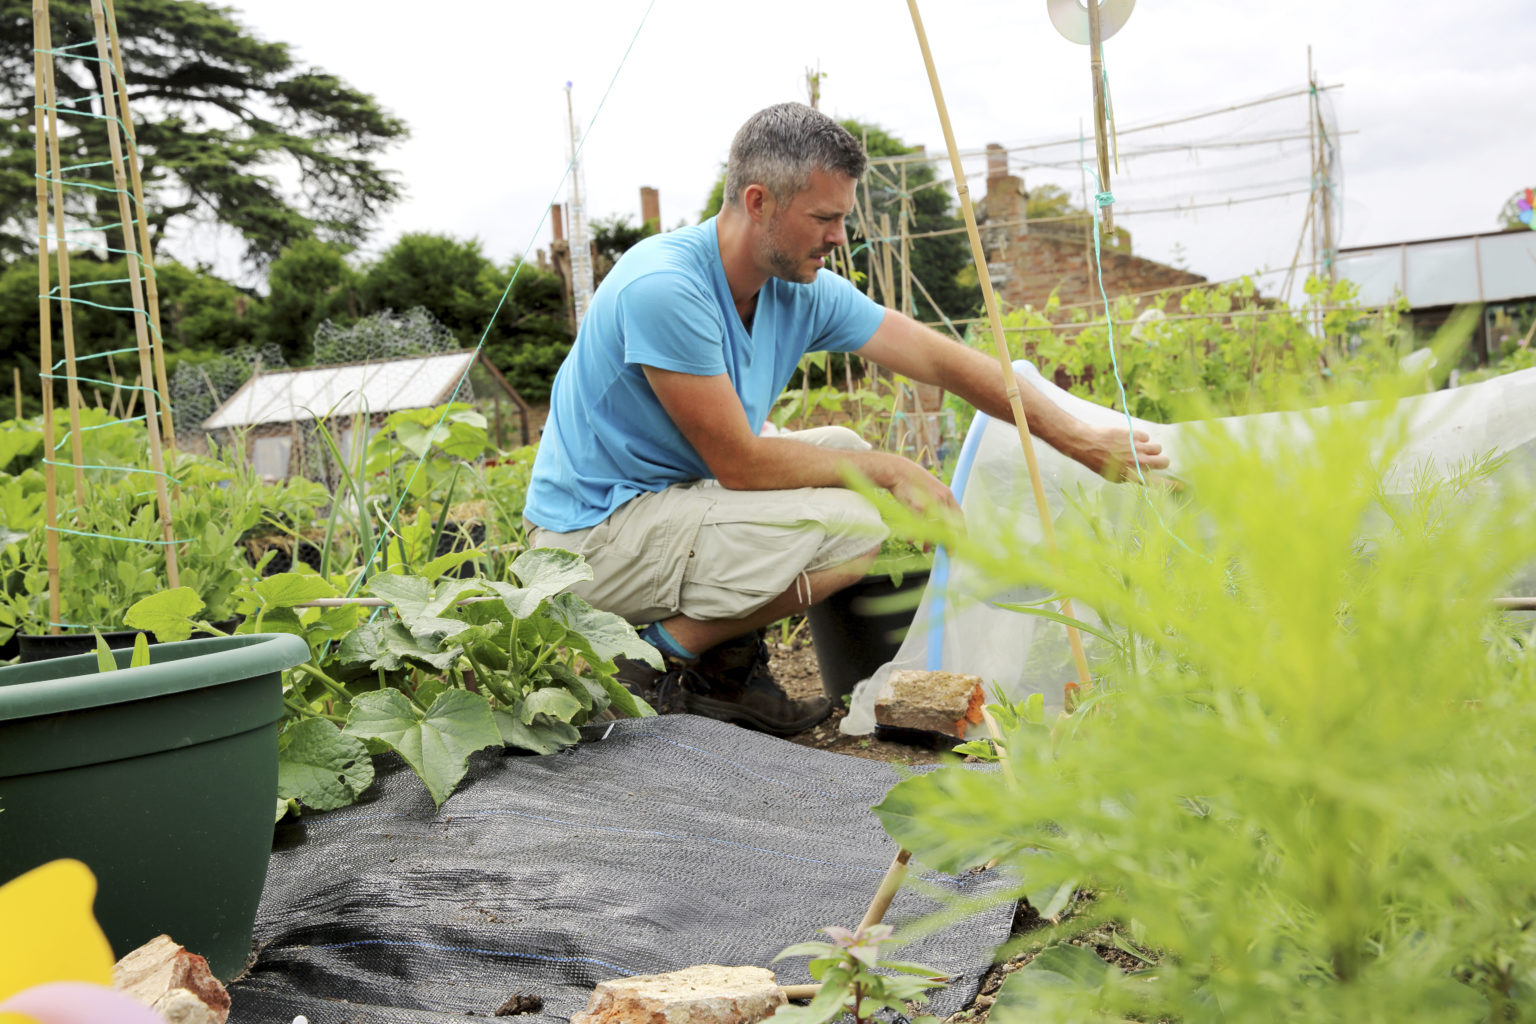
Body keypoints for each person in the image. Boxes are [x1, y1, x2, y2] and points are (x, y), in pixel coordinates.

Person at [524, 102, 1166, 735]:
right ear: (758, 203)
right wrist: (886, 470)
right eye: (824, 218)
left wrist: (1079, 440)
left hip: (667, 509)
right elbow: (740, 464)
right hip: (585, 545)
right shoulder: (665, 287)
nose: (839, 237)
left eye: (842, 218)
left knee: (840, 446)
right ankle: (652, 654)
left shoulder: (795, 288)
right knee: (857, 516)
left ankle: (722, 668)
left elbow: (944, 362)